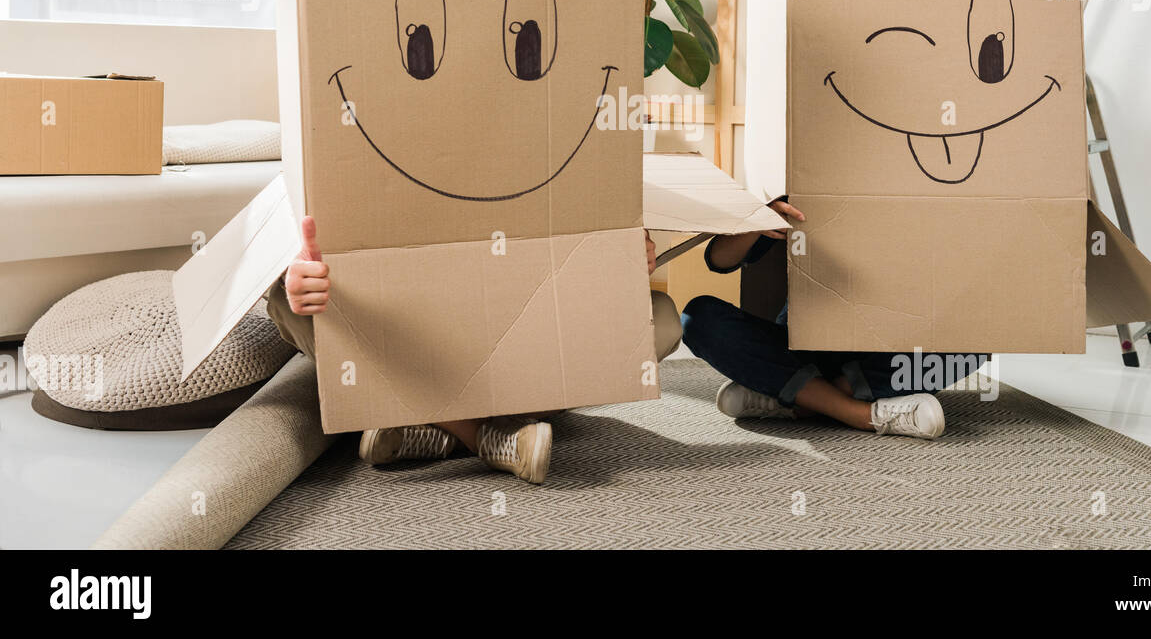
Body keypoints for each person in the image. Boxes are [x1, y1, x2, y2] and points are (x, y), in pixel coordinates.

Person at [266, 218, 674, 485]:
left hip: (519, 329)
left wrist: (624, 257)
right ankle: (486, 437)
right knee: (284, 302)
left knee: (662, 318)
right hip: (414, 332)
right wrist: (301, 278)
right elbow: (292, 256)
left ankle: (440, 428)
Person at [681, 200, 989, 440]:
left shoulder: (935, 195)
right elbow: (719, 260)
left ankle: (798, 399)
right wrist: (760, 219)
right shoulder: (804, 183)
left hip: (884, 352)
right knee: (698, 318)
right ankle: (861, 414)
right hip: (803, 343)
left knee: (980, 340)